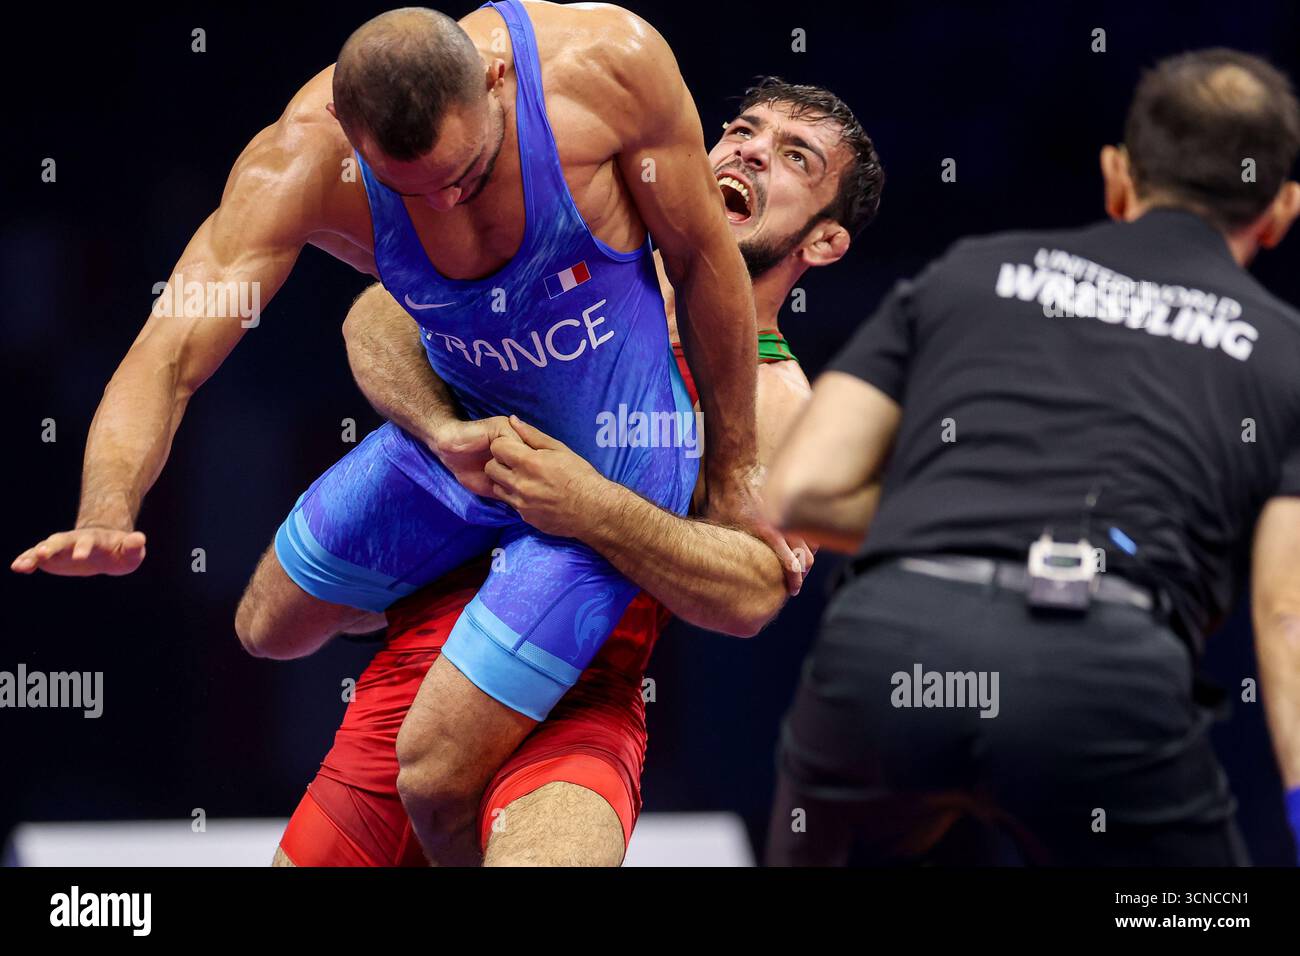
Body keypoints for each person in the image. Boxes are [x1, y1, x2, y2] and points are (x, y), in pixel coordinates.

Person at [9, 2, 766, 867]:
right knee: (269, 627)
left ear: (497, 78)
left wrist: (737, 469)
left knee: (435, 773)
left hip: (610, 467)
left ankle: (528, 645)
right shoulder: (298, 161)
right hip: (469, 443)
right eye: (410, 187)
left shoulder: (607, 67)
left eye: (468, 174)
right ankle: (470, 602)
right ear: (345, 127)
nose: (443, 199)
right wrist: (108, 506)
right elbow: (170, 350)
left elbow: (706, 257)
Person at [275, 79, 884, 866]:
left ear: (825, 242)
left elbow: (748, 597)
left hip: (573, 714)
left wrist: (591, 507)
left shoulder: (777, 398)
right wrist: (448, 430)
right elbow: (379, 314)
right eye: (743, 129)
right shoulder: (582, 250)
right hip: (403, 686)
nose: (752, 150)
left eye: (795, 157)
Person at [762, 48, 1300, 866]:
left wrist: (955, 522)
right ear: (1281, 210)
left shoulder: (970, 273)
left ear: (1118, 175)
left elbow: (799, 489)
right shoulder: (1285, 353)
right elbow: (1286, 613)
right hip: (1100, 674)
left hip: (889, 655)